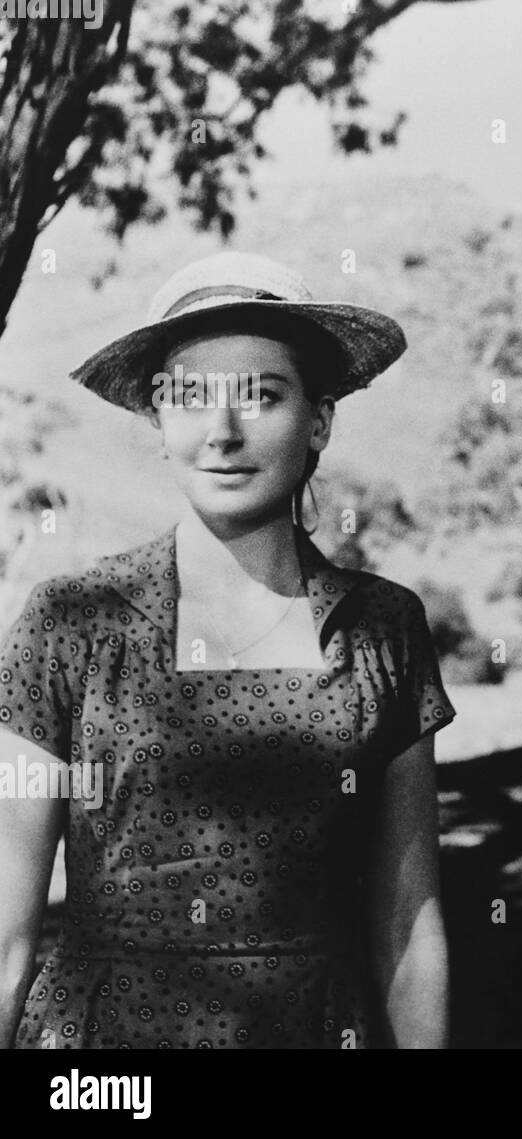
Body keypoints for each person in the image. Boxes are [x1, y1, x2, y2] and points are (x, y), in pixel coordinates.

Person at [0, 252, 455, 1048]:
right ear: (158, 421)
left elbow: (409, 928)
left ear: (317, 420)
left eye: (263, 396)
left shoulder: (383, 627)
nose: (223, 431)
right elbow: (4, 929)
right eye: (190, 397)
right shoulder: (69, 622)